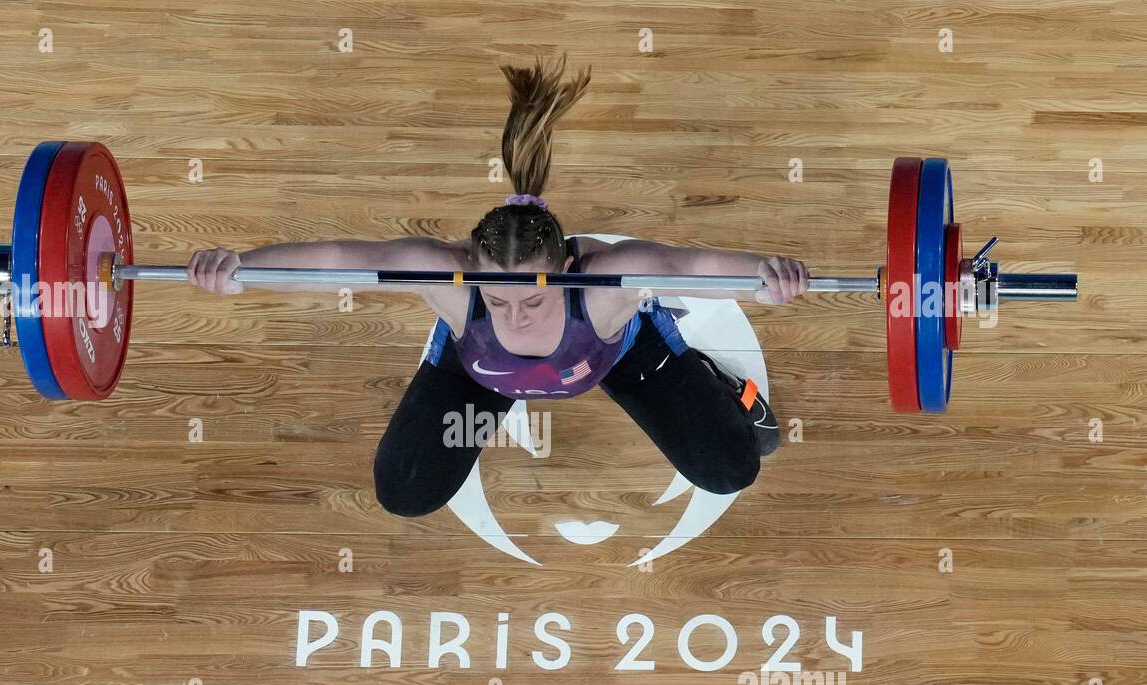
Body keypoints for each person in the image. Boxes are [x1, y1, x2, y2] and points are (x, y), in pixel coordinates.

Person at [187, 55, 808, 518]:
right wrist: (239, 268)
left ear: (564, 270)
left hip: (614, 355)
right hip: (477, 373)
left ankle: (718, 383)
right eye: (498, 297)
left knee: (730, 469)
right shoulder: (445, 275)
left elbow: (691, 270)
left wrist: (764, 277)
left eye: (532, 299)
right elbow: (335, 258)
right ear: (470, 269)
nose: (512, 314)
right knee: (405, 491)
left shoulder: (607, 283)